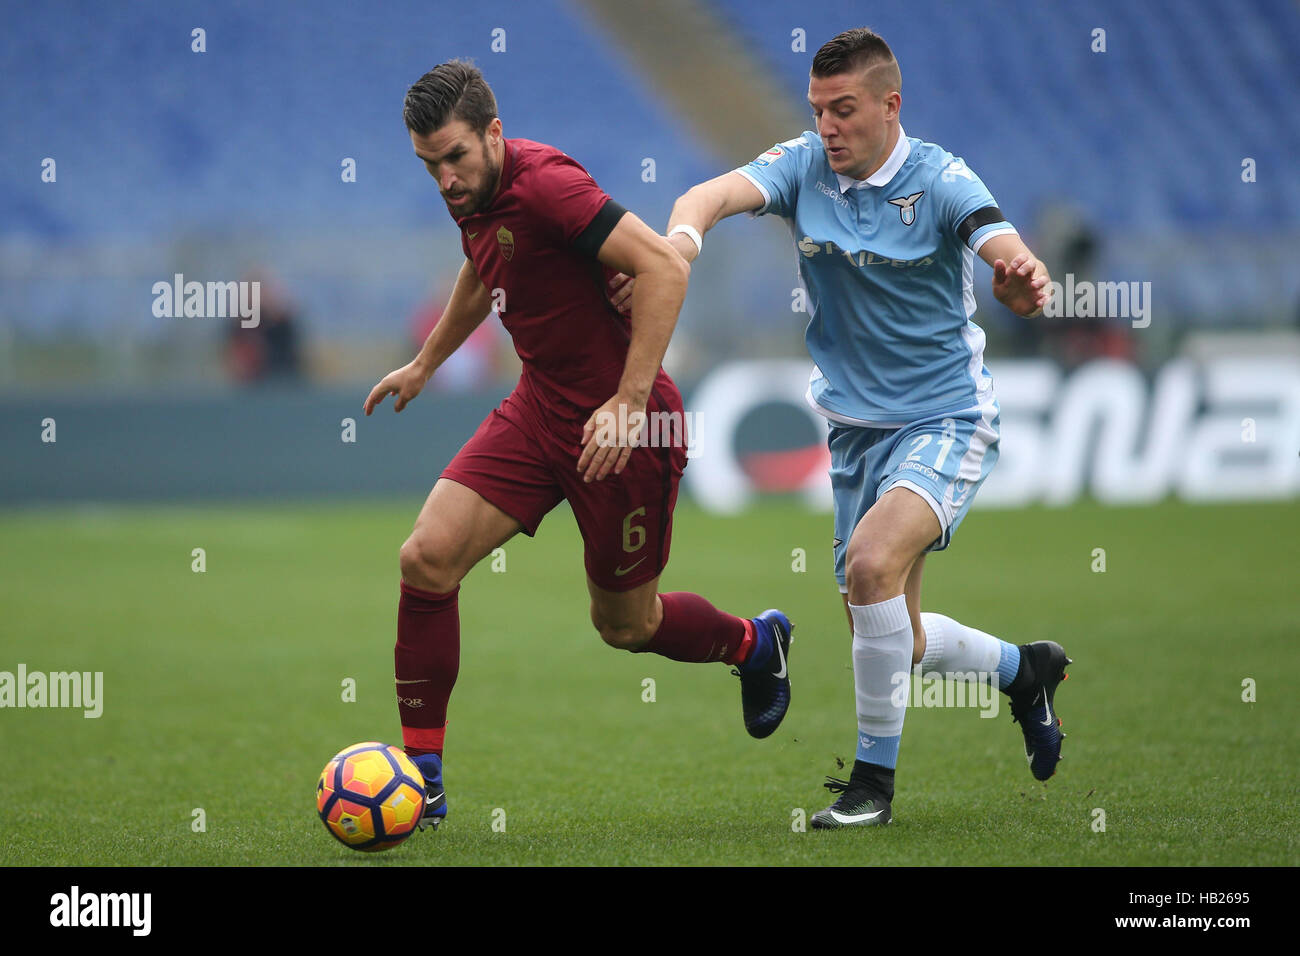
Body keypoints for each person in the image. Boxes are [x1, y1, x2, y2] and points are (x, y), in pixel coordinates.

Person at [630, 28, 1072, 828]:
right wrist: (682, 242)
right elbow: (707, 196)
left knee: (871, 566)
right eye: (817, 110)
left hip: (945, 417)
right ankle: (1023, 671)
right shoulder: (803, 165)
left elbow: (1001, 244)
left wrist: (1022, 276)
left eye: (844, 110)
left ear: (889, 106)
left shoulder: (941, 179)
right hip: (853, 434)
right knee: (891, 642)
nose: (827, 126)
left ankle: (872, 788)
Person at [362, 61, 793, 830]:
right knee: (425, 559)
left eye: (454, 157)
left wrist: (629, 400)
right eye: (428, 165)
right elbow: (482, 265)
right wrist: (427, 361)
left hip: (628, 432)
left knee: (626, 626)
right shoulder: (477, 194)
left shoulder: (546, 186)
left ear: (493, 134)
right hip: (539, 411)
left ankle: (755, 645)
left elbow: (662, 265)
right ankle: (421, 779)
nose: (444, 180)